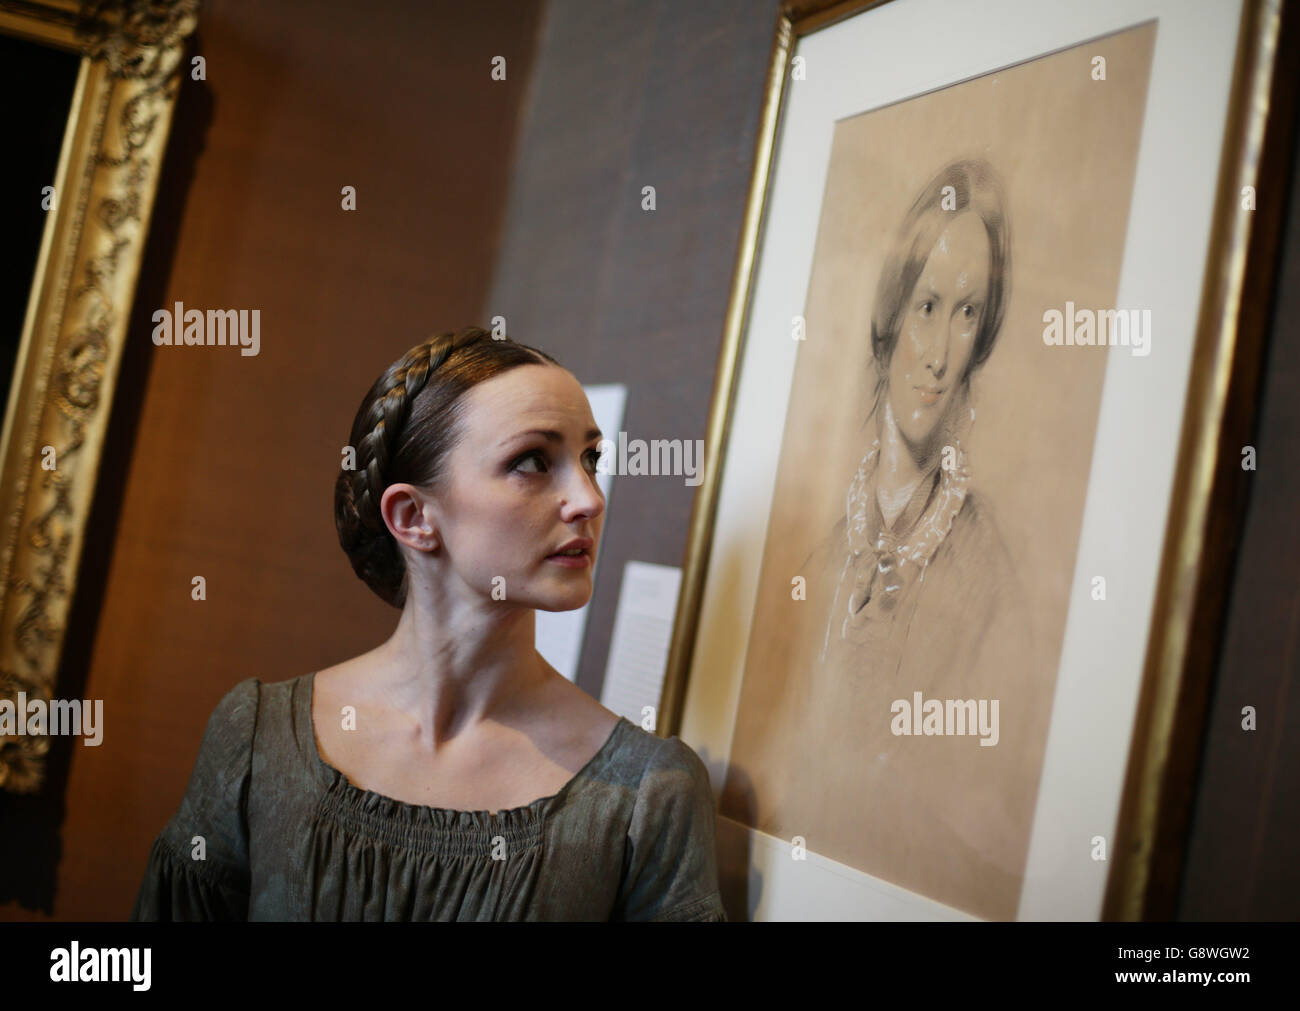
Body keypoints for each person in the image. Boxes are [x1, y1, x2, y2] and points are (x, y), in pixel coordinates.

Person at [130, 326, 727, 921]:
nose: (590, 499)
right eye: (532, 461)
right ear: (414, 516)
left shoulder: (648, 795)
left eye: (590, 459)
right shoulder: (258, 740)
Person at [726, 160, 1052, 920]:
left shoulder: (990, 579)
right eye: (927, 305)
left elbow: (983, 833)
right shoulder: (818, 553)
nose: (939, 352)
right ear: (890, 316)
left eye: (967, 313)